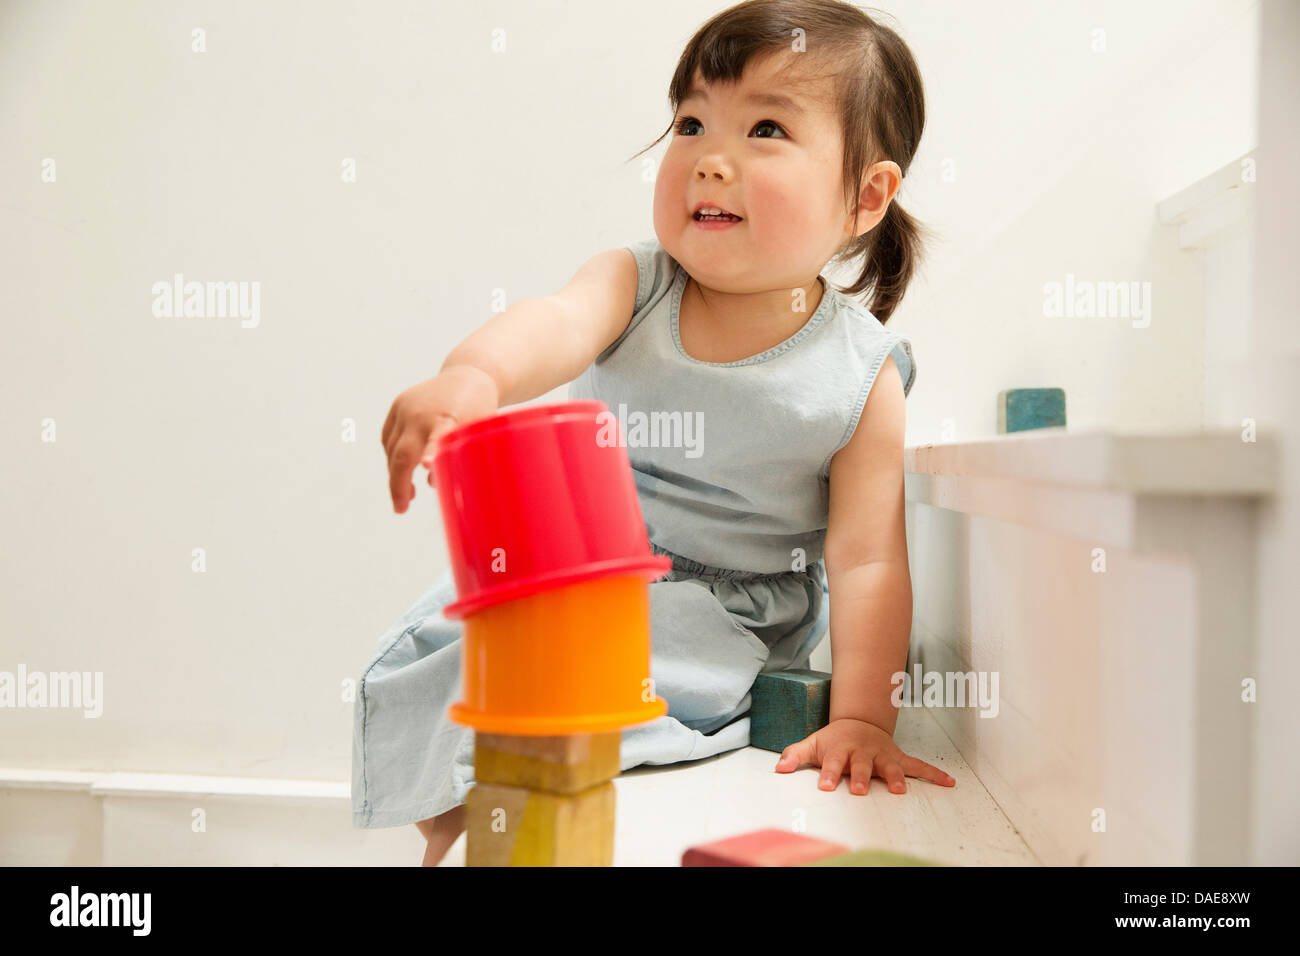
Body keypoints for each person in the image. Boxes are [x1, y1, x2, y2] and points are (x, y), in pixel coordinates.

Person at [354, 0, 955, 866]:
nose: (711, 160)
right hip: (585, 572)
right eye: (692, 122)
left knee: (577, 676)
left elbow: (866, 559)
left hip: (722, 613)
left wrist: (863, 716)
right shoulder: (636, 283)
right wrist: (473, 378)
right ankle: (465, 805)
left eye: (766, 130)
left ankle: (513, 792)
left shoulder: (860, 376)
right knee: (467, 649)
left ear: (866, 195)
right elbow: (552, 325)